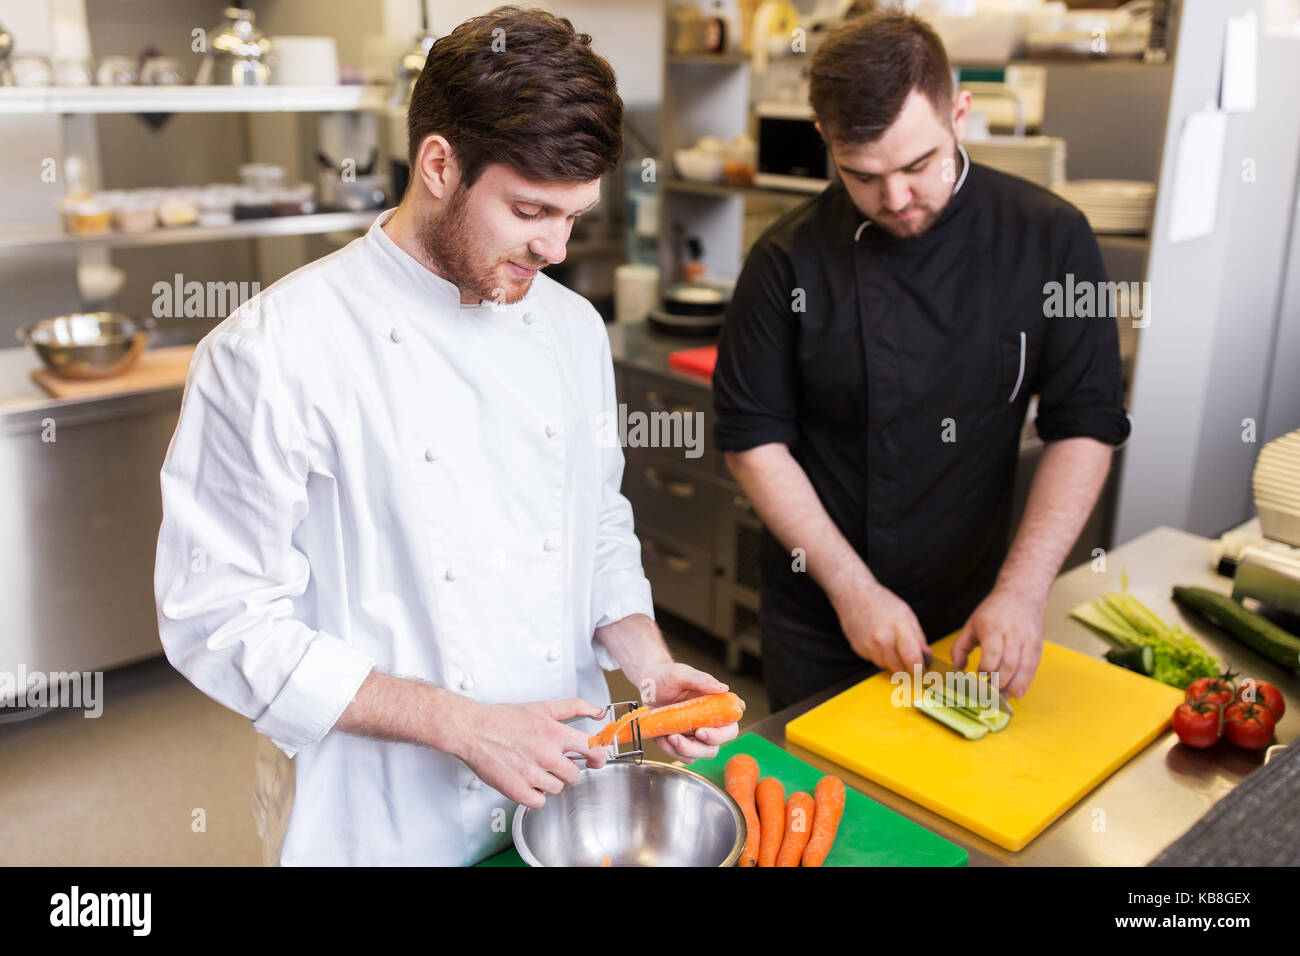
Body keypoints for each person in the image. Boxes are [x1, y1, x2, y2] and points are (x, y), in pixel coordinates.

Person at [154, 5, 738, 866]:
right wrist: (463, 726)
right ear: (439, 164)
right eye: (531, 210)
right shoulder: (271, 352)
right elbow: (219, 618)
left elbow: (596, 524)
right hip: (380, 817)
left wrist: (648, 665)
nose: (556, 248)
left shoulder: (572, 330)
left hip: (565, 789)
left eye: (574, 216)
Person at [713, 11, 1131, 712]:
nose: (897, 199)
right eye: (863, 176)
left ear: (959, 114)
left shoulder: (1053, 237)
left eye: (917, 165)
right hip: (822, 609)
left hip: (976, 607)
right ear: (826, 141)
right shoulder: (784, 258)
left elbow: (1084, 423)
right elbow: (754, 442)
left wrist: (1023, 592)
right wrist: (852, 590)